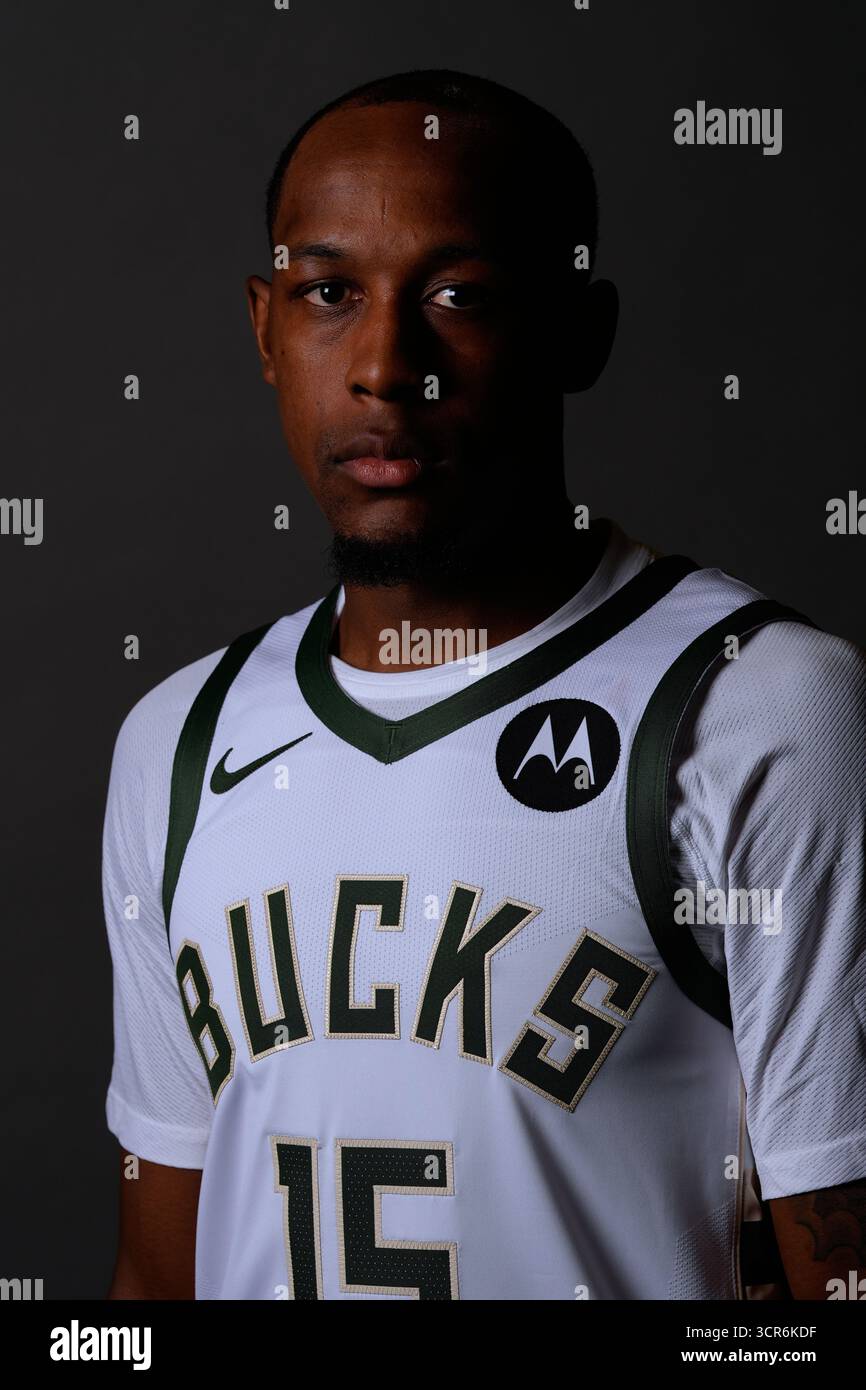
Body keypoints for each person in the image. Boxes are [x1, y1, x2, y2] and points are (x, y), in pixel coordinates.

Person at [103, 69, 866, 1300]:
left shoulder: (760, 706)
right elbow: (155, 1277)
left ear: (578, 331)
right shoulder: (177, 740)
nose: (383, 365)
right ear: (263, 328)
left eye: (459, 294)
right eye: (327, 293)